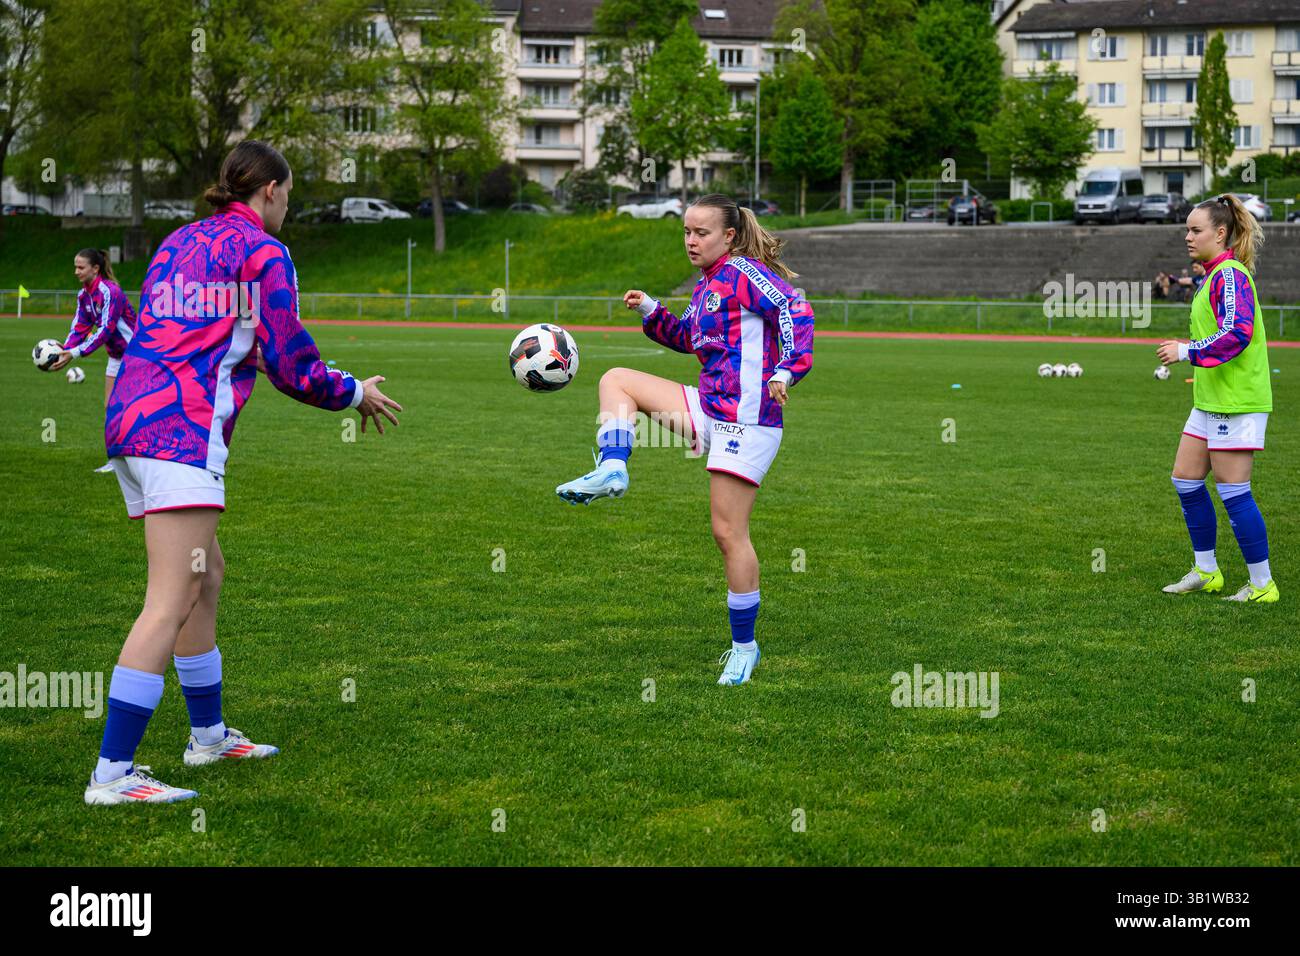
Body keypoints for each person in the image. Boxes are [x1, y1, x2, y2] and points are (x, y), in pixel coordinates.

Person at [84, 140, 403, 804]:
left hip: (130, 420)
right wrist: (351, 392)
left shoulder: (180, 241)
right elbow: (289, 361)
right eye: (288, 193)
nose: (288, 204)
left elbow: (185, 332)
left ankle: (208, 737)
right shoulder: (264, 252)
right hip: (179, 430)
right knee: (168, 599)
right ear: (271, 191)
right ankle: (112, 775)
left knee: (206, 575)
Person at [555, 193, 815, 684]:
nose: (691, 241)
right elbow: (690, 339)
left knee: (727, 533)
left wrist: (787, 369)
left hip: (749, 419)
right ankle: (613, 467)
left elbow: (796, 312)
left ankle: (745, 648)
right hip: (710, 405)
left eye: (701, 233)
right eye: (686, 232)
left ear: (730, 236)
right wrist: (653, 310)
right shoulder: (708, 284)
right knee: (616, 379)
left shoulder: (745, 274)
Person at [1157, 194, 1275, 602]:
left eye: (1196, 230)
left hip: (1236, 401)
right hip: (1210, 399)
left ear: (1220, 233)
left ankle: (1262, 585)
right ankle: (1207, 571)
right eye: (1187, 229)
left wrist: (1186, 351)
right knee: (1186, 480)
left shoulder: (1230, 275)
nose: (1187, 237)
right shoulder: (1213, 277)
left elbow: (1236, 333)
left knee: (1233, 491)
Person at [49, 248, 137, 472]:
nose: (76, 271)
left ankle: (145, 456)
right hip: (117, 356)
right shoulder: (83, 295)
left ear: (95, 269)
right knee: (111, 407)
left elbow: (105, 330)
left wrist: (75, 353)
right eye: (75, 267)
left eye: (81, 267)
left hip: (136, 355)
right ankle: (117, 462)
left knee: (132, 407)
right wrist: (64, 351)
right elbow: (80, 327)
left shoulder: (110, 292)